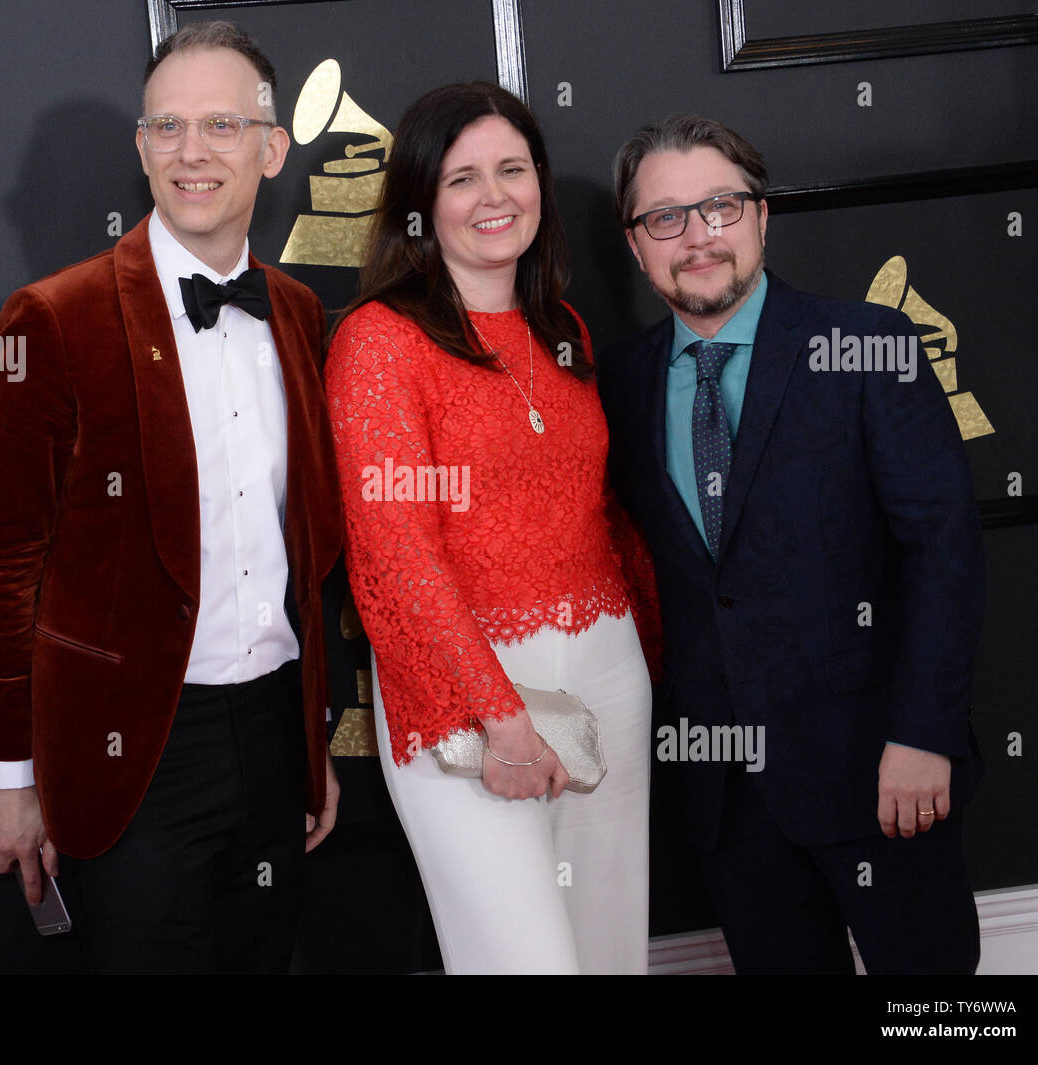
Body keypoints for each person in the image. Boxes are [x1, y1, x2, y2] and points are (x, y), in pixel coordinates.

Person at [0, 21, 343, 973]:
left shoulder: (294, 312)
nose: (192, 152)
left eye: (220, 124)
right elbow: (0, 561)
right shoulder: (54, 316)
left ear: (272, 146)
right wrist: (9, 771)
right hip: (136, 750)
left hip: (272, 739)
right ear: (141, 148)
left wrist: (310, 735)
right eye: (167, 128)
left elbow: (307, 551)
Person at [599, 114, 984, 974]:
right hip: (727, 792)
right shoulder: (615, 384)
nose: (698, 238)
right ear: (635, 245)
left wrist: (925, 734)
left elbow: (944, 553)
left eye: (721, 207)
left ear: (762, 217)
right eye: (665, 217)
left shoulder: (870, 347)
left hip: (884, 771)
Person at [325, 81, 662, 974]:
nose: (494, 196)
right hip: (469, 698)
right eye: (463, 177)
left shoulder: (566, 330)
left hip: (610, 679)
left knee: (610, 954)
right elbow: (395, 550)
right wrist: (502, 717)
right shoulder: (380, 341)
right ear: (421, 206)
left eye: (513, 169)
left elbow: (598, 512)